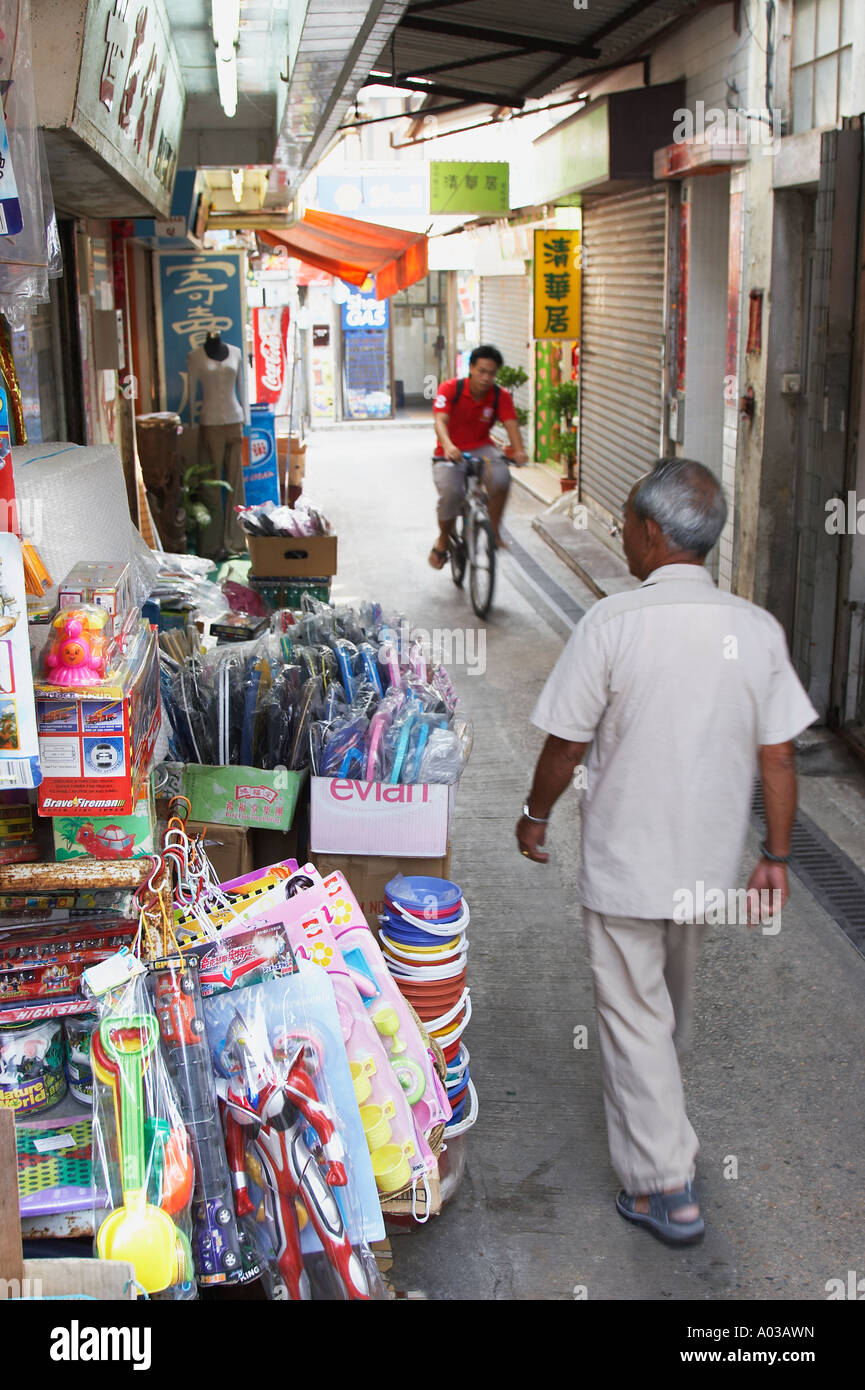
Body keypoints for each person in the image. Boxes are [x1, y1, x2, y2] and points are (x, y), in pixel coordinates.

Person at [516, 457, 817, 1246]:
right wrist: (776, 858)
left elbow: (565, 743)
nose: (620, 534)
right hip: (706, 867)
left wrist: (533, 814)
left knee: (634, 1019)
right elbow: (778, 756)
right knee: (666, 1013)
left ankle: (666, 1187)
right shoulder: (754, 630)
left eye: (624, 523)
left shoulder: (614, 625)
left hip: (625, 867)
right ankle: (661, 1127)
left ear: (652, 532)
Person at [428, 345, 528, 569]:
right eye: (481, 371)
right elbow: (440, 421)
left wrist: (519, 450)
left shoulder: (499, 396)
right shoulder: (450, 389)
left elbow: (511, 423)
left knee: (502, 478)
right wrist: (448, 445)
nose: (486, 377)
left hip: (483, 449)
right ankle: (443, 539)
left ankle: (493, 532)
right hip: (450, 450)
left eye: (491, 373)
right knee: (451, 494)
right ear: (471, 368)